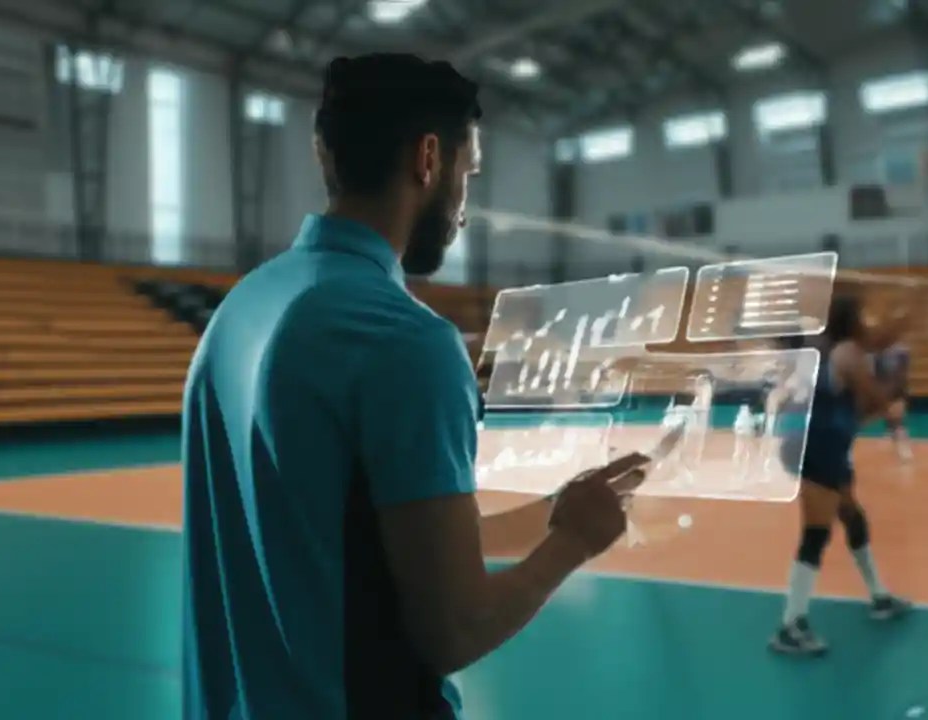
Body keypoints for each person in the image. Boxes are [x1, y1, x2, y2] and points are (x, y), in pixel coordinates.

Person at [181, 54, 647, 720]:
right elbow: (454, 629)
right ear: (429, 159)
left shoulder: (241, 310)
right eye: (469, 173)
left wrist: (553, 512)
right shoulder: (404, 339)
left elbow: (370, 542)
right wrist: (572, 543)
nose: (463, 206)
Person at [770, 295, 912, 657]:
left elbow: (864, 395)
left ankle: (880, 597)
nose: (868, 323)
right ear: (852, 321)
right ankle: (790, 625)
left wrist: (903, 320)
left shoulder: (842, 349)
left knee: (852, 515)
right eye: (863, 316)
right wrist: (893, 398)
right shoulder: (847, 353)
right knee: (816, 533)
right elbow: (873, 396)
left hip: (829, 445)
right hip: (816, 445)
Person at [871, 340, 913, 463]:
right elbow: (877, 372)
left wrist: (899, 392)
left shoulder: (902, 352)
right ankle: (892, 434)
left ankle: (904, 448)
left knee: (898, 419)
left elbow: (902, 374)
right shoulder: (878, 353)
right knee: (891, 417)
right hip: (884, 389)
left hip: (897, 390)